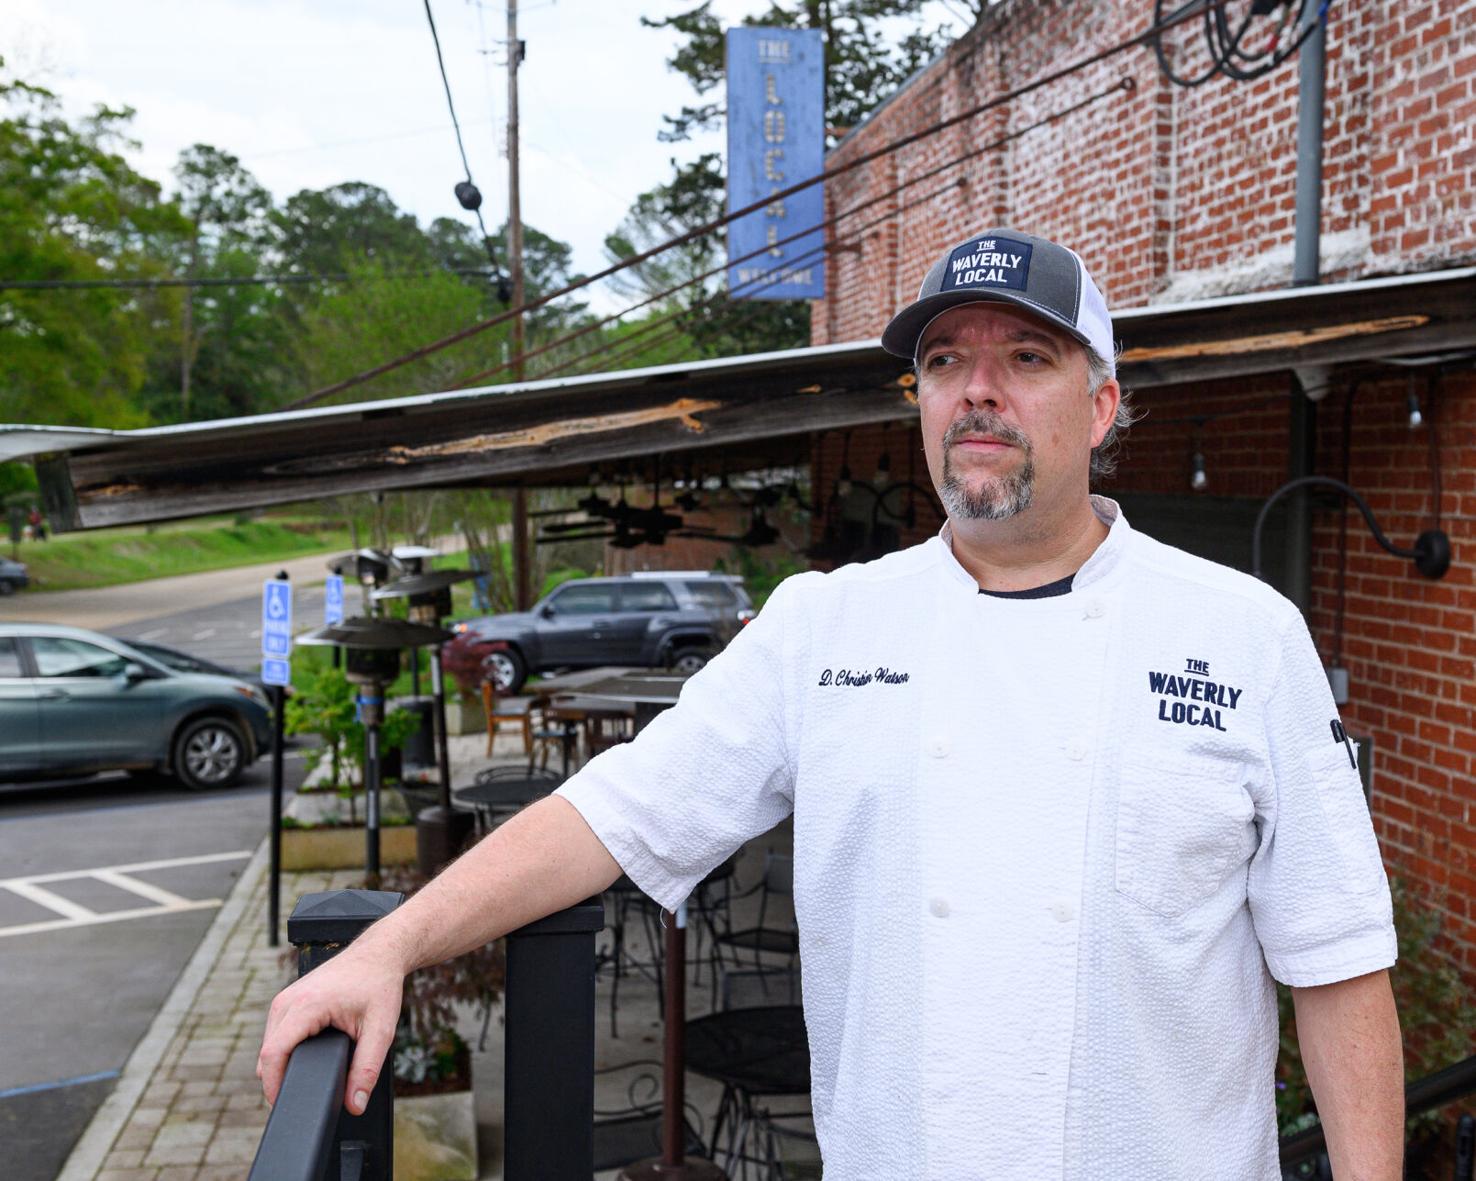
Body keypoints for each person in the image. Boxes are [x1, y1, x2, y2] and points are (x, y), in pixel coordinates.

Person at [259, 228, 1403, 1179]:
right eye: (946, 361)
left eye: (1027, 356)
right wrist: (394, 943)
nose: (979, 389)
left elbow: (1338, 961)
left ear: (1103, 405)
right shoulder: (826, 626)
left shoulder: (1242, 633)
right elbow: (619, 810)